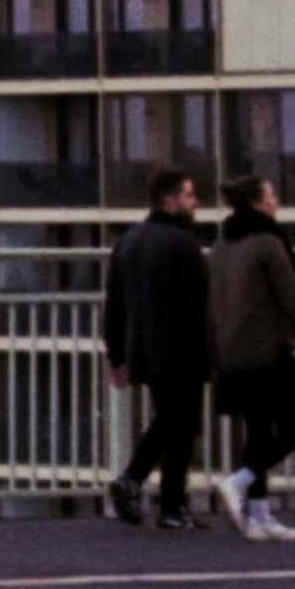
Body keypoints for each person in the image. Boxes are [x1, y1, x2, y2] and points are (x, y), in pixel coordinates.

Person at [207, 175, 295, 543]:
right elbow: (294, 304)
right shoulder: (269, 244)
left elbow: (210, 305)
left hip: (232, 354)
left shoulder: (222, 245)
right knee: (293, 430)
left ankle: (259, 518)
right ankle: (238, 482)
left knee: (258, 432)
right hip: (269, 352)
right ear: (258, 203)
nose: (276, 200)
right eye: (271, 194)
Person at [98, 167, 212, 529]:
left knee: (170, 420)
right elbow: (199, 306)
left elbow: (114, 304)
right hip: (181, 349)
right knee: (179, 425)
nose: (195, 203)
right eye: (189, 195)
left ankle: (141, 486)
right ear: (170, 200)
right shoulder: (184, 244)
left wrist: (116, 356)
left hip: (142, 351)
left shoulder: (128, 241)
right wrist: (211, 353)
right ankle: (168, 504)